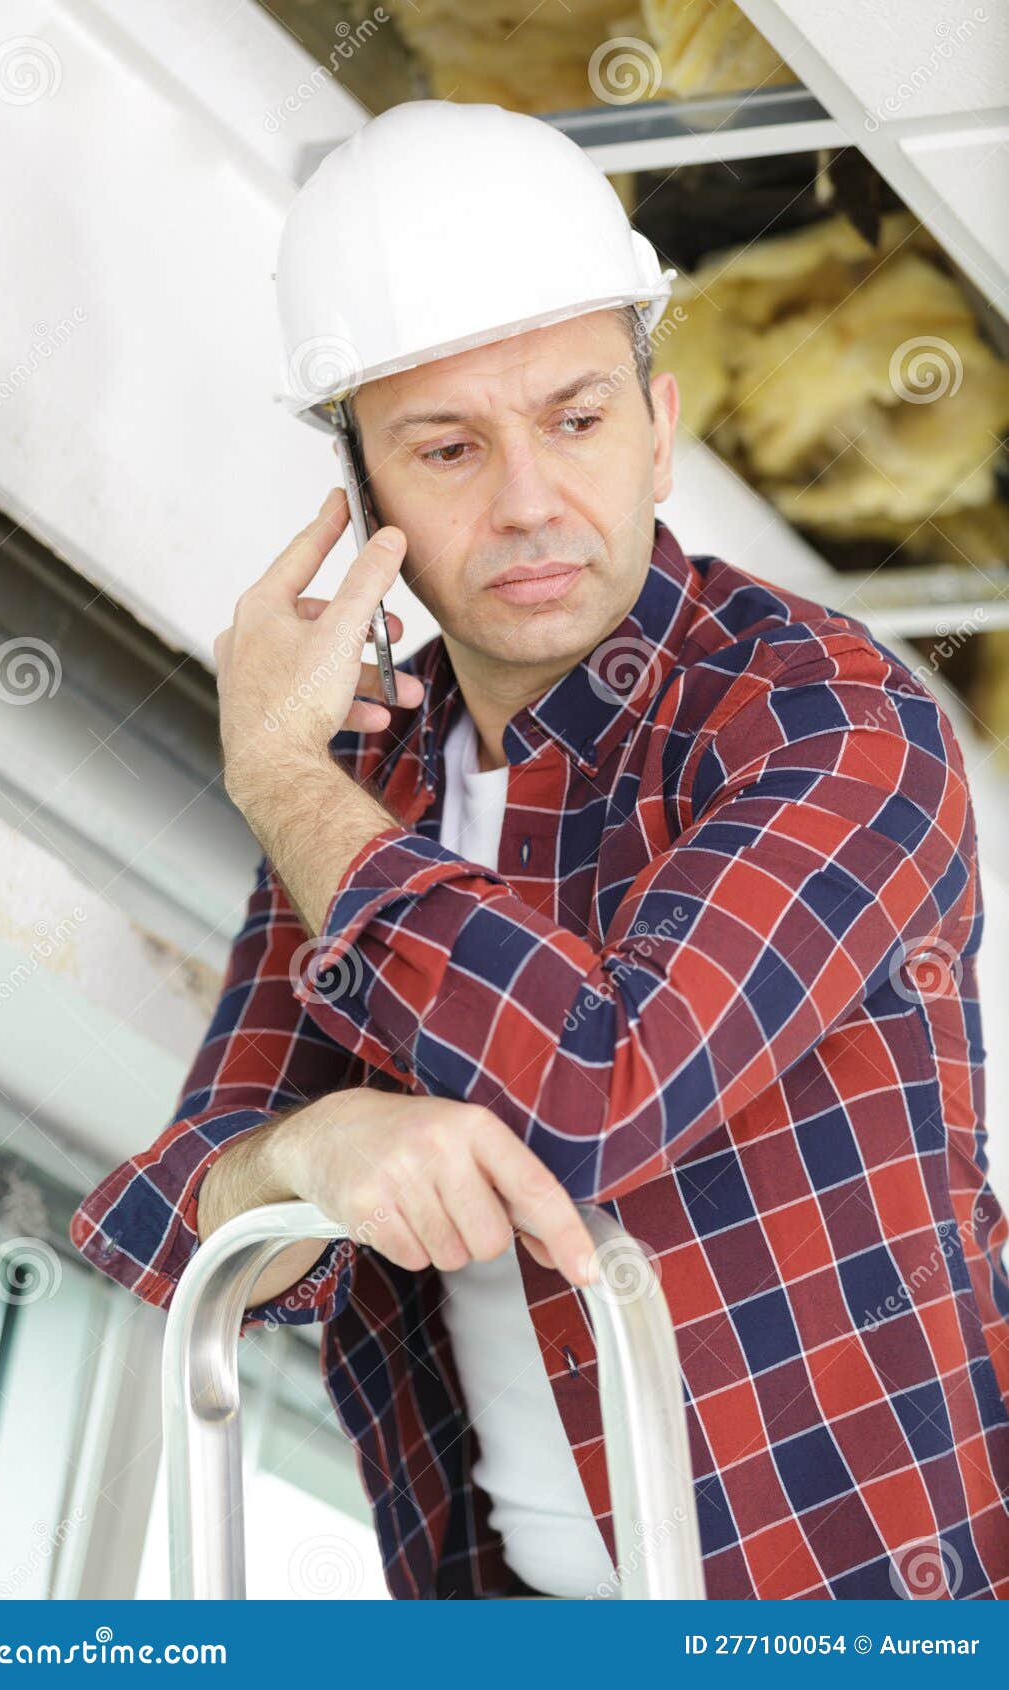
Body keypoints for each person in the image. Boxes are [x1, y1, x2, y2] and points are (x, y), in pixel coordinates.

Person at [71, 100, 1009, 1601]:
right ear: (363, 500)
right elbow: (168, 1217)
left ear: (660, 429)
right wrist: (302, 1150)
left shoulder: (827, 721)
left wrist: (276, 775)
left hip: (850, 1615)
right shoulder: (370, 777)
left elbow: (592, 1091)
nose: (524, 503)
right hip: (505, 1615)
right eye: (445, 448)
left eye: (575, 420)